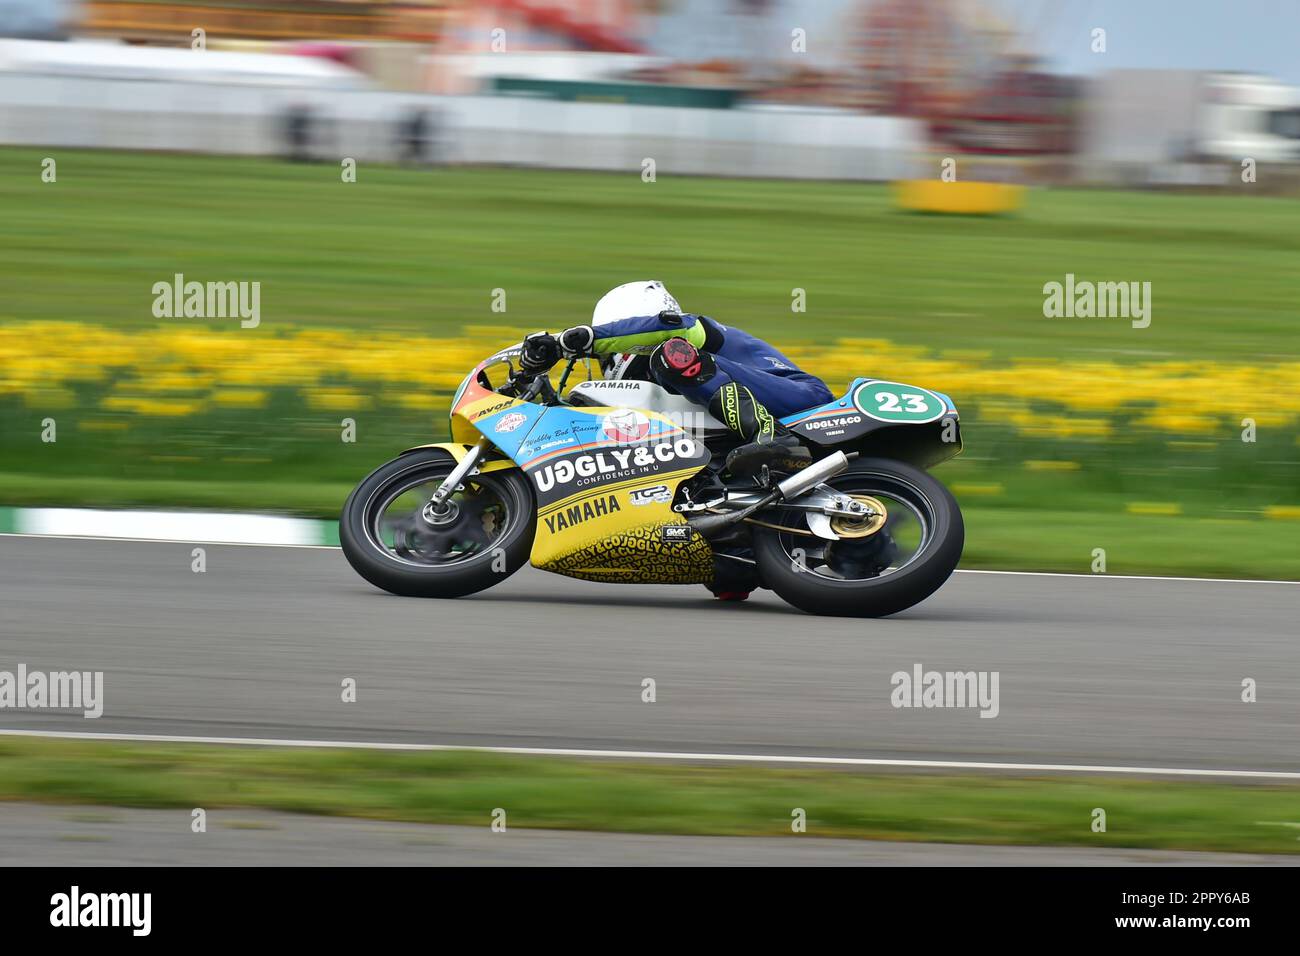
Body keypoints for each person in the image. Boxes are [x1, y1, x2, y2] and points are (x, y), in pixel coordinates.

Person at [519, 281, 834, 475]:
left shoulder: (691, 331)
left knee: (670, 355)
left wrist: (575, 340)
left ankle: (769, 433)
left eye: (607, 350)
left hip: (802, 399)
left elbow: (664, 330)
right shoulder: (678, 385)